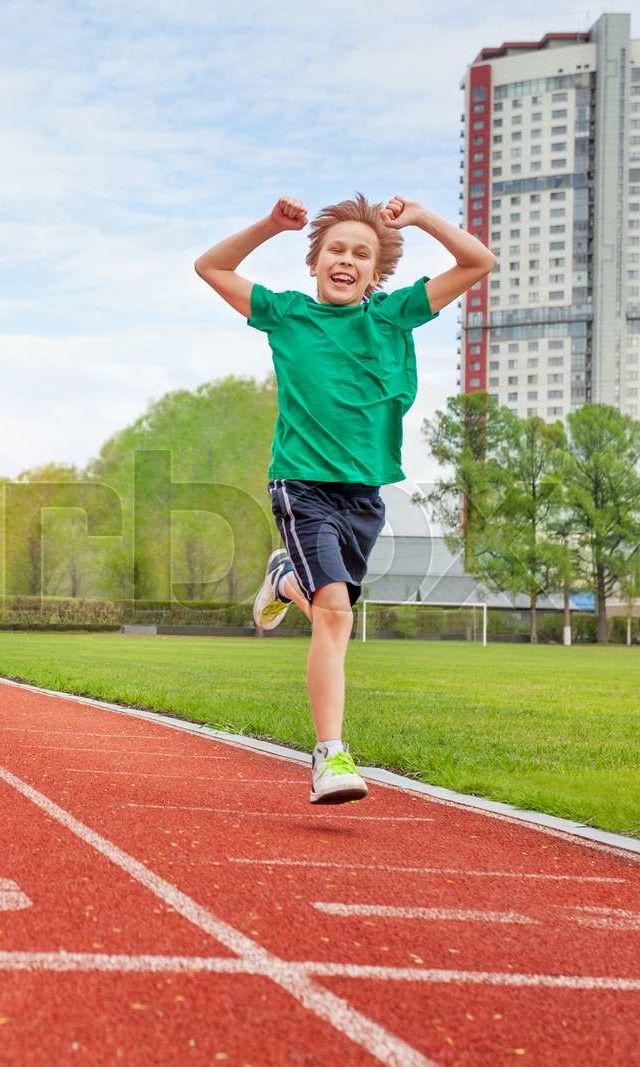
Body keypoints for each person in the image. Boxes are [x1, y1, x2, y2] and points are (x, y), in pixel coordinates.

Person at [195, 194, 495, 802]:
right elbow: (212, 268)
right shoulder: (287, 315)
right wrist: (270, 227)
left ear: (376, 272)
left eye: (362, 253)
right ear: (315, 261)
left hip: (364, 495)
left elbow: (477, 263)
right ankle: (330, 756)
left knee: (331, 611)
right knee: (335, 611)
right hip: (300, 483)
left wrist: (420, 220)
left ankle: (283, 582)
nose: (347, 259)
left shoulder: (394, 316)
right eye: (336, 249)